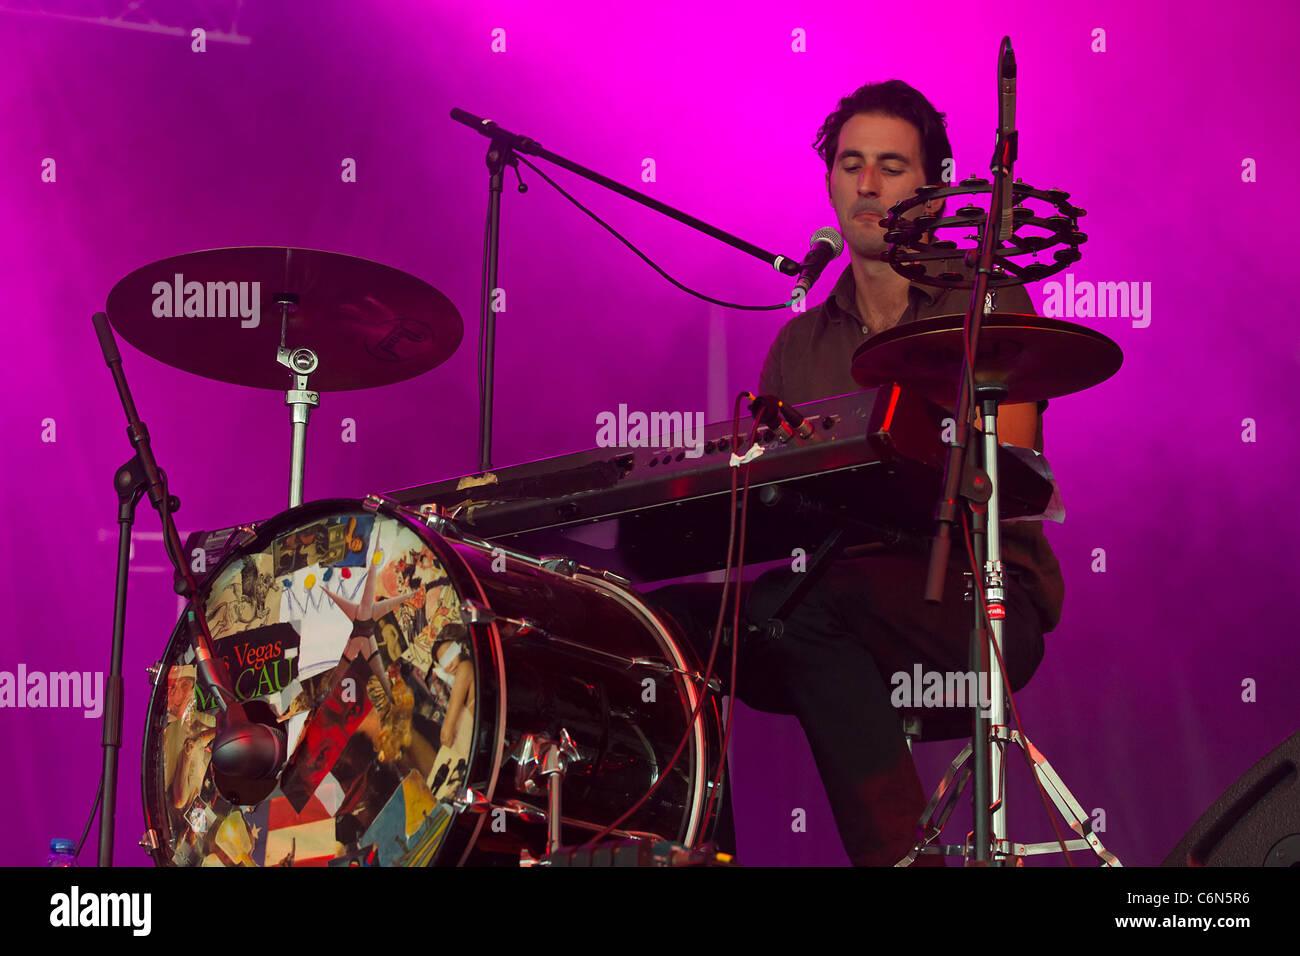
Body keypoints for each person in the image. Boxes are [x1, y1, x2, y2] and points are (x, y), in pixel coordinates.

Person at [648, 80, 1064, 866]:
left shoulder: (988, 297)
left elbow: (1004, 473)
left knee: (796, 608)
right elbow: (774, 502)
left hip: (977, 603)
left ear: (934, 190)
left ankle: (906, 861)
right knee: (666, 627)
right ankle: (700, 855)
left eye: (891, 166)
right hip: (826, 605)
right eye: (851, 165)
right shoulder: (798, 345)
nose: (868, 186)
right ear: (831, 180)